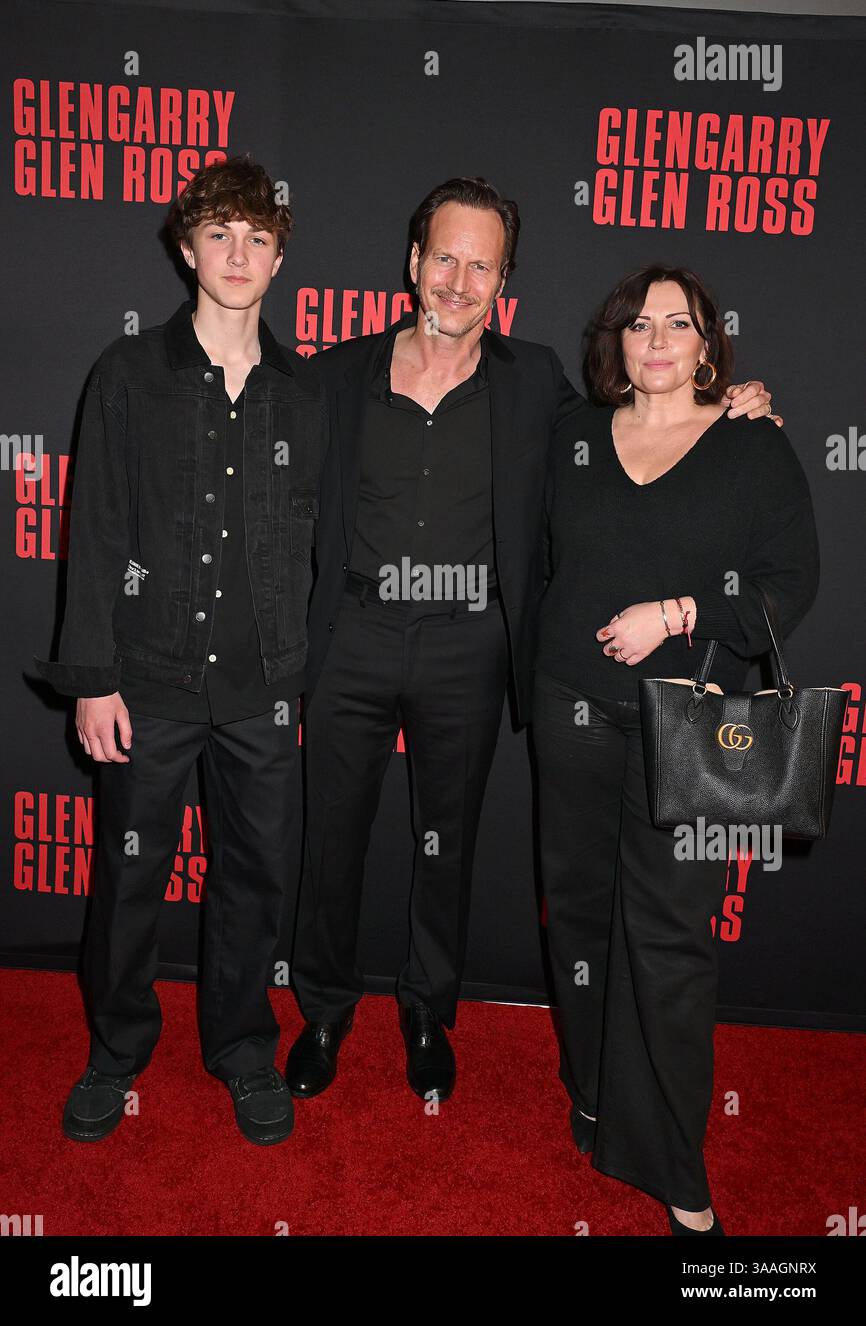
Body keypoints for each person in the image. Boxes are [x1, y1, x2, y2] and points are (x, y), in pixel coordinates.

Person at [286, 179, 776, 1105]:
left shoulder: (535, 383)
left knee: (447, 841)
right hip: (350, 634)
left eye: (482, 264)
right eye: (445, 257)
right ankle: (322, 1008)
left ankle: (428, 1007)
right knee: (331, 838)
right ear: (413, 263)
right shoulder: (334, 376)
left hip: (469, 645)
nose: (460, 280)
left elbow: (642, 420)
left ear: (503, 280)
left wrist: (732, 408)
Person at [35, 155, 328, 1146]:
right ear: (185, 247)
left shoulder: (305, 394)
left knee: (255, 878)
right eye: (219, 235)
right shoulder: (127, 375)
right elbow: (97, 530)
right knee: (127, 876)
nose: (238, 254)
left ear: (279, 255)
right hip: (147, 682)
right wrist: (92, 680)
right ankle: (116, 1050)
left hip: (261, 690)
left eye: (257, 237)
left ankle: (243, 1047)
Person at [532, 264, 819, 1234]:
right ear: (615, 342)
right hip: (568, 707)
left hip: (689, 720)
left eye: (677, 324)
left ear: (707, 343)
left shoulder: (749, 446)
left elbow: (788, 584)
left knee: (668, 942)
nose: (654, 339)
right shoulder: (572, 435)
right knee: (575, 918)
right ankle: (592, 1092)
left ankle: (676, 1167)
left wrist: (681, 612)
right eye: (637, 324)